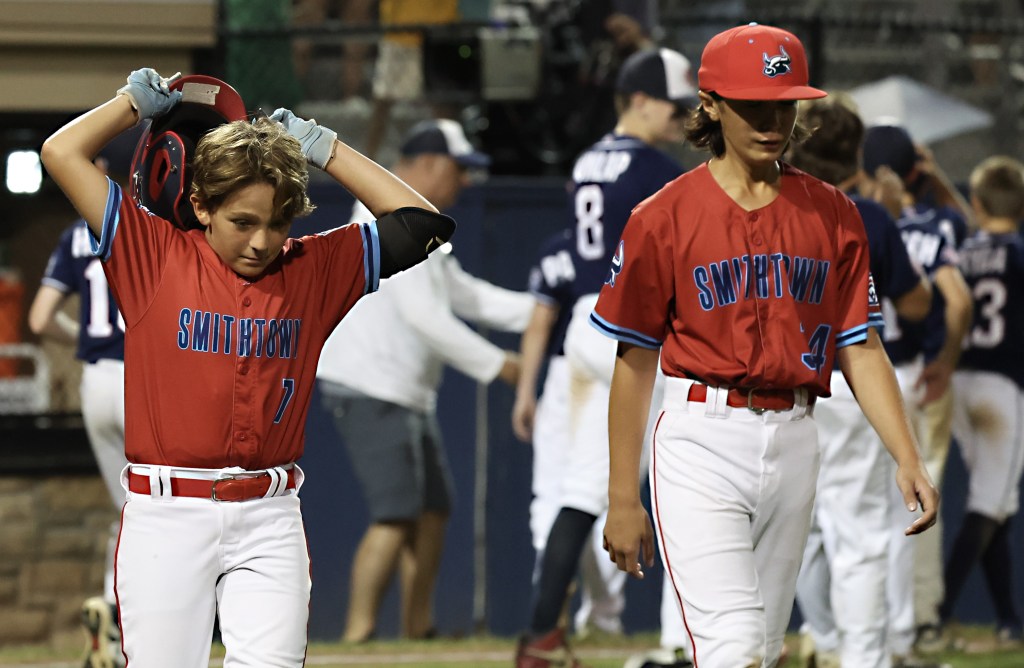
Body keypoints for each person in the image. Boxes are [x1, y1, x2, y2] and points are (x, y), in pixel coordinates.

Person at [39, 67, 455, 667]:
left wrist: (327, 149)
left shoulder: (311, 267)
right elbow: (61, 151)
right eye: (243, 222)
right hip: (166, 516)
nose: (262, 241)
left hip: (268, 516)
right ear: (202, 205)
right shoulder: (151, 253)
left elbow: (422, 225)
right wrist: (130, 106)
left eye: (278, 222)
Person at [593, 23, 939, 668]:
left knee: (763, 649)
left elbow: (859, 344)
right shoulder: (660, 218)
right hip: (702, 436)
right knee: (734, 648)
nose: (771, 119)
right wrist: (621, 496)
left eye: (783, 102)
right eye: (752, 104)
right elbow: (634, 362)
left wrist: (907, 456)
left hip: (797, 436)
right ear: (710, 105)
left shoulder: (834, 212)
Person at [316, 118, 533, 642]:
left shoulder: (423, 222)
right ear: (430, 164)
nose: (465, 183)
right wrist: (499, 366)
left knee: (433, 511)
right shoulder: (383, 215)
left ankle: (418, 628)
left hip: (407, 393)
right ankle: (356, 636)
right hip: (371, 387)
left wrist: (547, 310)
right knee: (394, 515)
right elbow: (427, 319)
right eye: (460, 171)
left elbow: (465, 296)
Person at [514, 47, 693, 668]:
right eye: (674, 104)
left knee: (583, 489)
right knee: (687, 486)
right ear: (639, 99)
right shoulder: (655, 169)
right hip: (635, 326)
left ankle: (540, 635)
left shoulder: (591, 158)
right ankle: (684, 640)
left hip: (587, 326)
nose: (681, 116)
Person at [786, 98, 934, 668]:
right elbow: (918, 302)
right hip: (852, 380)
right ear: (857, 152)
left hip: (788, 381)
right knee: (862, 535)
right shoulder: (864, 214)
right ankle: (861, 657)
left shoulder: (774, 201)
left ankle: (822, 640)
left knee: (802, 529)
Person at [860, 123, 974, 657]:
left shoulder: (845, 216)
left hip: (851, 377)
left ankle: (846, 630)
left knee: (851, 516)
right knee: (913, 504)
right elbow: (956, 299)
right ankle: (914, 623)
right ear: (914, 169)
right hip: (907, 377)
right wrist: (945, 361)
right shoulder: (937, 225)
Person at [27, 155, 130, 668]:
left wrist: (85, 337)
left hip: (96, 381)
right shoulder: (144, 218)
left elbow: (39, 317)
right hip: (142, 379)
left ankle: (111, 612)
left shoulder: (73, 233)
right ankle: (128, 616)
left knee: (129, 510)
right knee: (160, 506)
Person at [936, 155, 1024, 650]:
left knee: (1000, 505)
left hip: (961, 383)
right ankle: (940, 611)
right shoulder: (1018, 253)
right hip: (1003, 388)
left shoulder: (963, 251)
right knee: (989, 503)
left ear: (977, 202)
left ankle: (1010, 620)